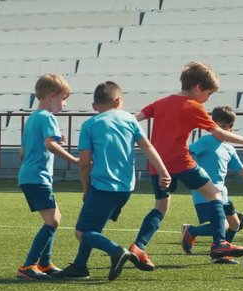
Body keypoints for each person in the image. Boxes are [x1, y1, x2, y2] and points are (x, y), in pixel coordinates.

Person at [129, 61, 243, 271]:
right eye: (209, 93)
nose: (208, 99)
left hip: (157, 163)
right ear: (199, 87)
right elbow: (220, 134)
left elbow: (134, 120)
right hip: (180, 161)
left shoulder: (161, 102)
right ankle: (220, 243)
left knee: (160, 207)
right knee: (215, 194)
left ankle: (138, 247)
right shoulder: (194, 106)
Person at [54, 81, 170, 280]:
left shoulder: (90, 125)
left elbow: (84, 163)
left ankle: (116, 251)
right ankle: (80, 266)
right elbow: (147, 147)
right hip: (125, 188)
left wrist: (86, 188)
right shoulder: (129, 120)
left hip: (102, 186)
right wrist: (163, 172)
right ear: (118, 100)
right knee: (94, 227)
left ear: (94, 106)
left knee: (82, 232)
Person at [181, 105, 243, 264]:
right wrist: (194, 170)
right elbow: (189, 152)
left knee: (235, 224)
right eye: (223, 127)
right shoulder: (206, 141)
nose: (227, 130)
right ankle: (191, 231)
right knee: (221, 226)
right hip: (205, 193)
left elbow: (241, 170)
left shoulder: (229, 149)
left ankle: (220, 254)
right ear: (213, 124)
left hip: (222, 194)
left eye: (230, 127)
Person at [16, 73, 79, 280]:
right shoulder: (49, 118)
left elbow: (23, 152)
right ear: (52, 96)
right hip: (38, 177)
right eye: (63, 98)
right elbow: (49, 145)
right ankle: (29, 266)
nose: (64, 104)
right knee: (53, 220)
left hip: (28, 176)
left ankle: (44, 264)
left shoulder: (33, 118)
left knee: (54, 219)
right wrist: (75, 160)